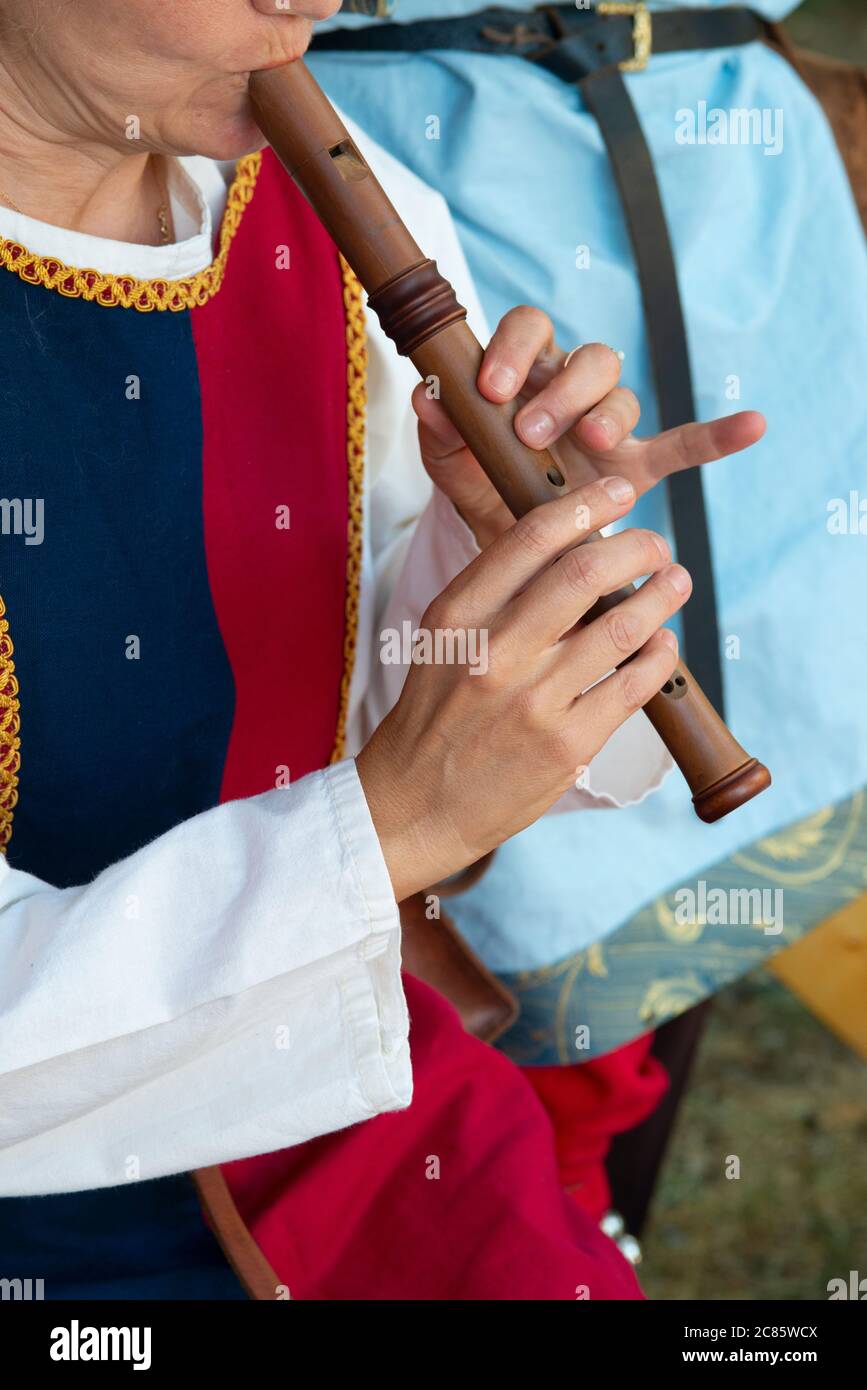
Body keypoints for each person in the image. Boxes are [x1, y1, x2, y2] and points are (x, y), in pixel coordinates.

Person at [0, 0, 764, 1299]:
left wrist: (495, 566)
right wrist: (387, 825)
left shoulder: (343, 207)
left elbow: (352, 723)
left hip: (324, 1091)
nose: (322, 2)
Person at [308, 0, 867, 1228]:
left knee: (759, 729)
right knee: (512, 746)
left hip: (730, 159)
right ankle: (529, 1195)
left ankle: (602, 1202)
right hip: (444, 158)